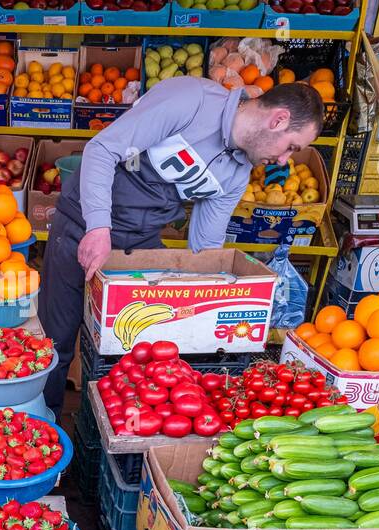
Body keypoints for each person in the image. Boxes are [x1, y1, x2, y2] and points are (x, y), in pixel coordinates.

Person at [37, 76, 324, 411]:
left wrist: (215, 299)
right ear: (278, 120)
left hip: (140, 243)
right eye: (291, 147)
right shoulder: (192, 101)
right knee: (56, 343)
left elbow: (204, 249)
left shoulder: (236, 174)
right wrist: (98, 226)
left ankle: (106, 433)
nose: (282, 161)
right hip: (83, 222)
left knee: (131, 351)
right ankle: (46, 431)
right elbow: (102, 149)